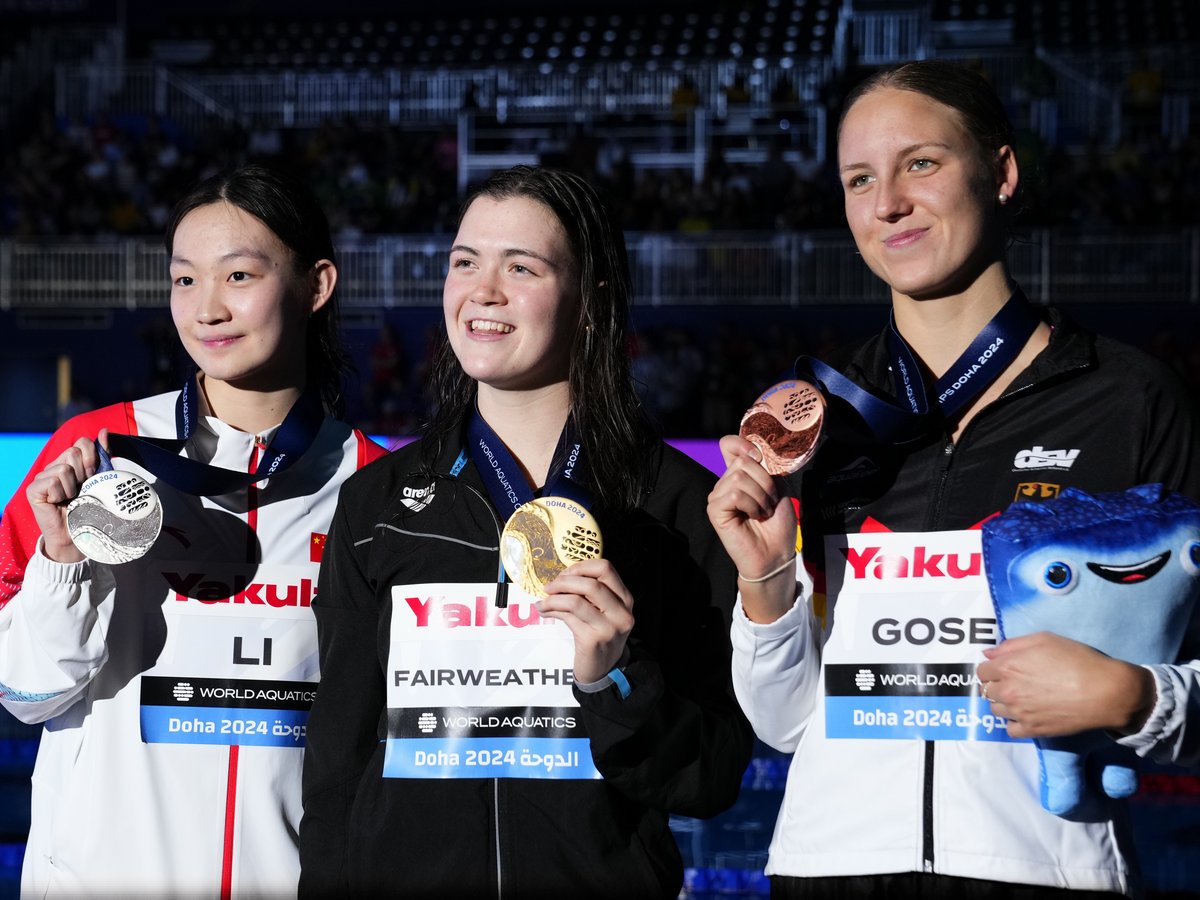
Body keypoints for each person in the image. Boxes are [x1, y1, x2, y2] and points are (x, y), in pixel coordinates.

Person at [706, 59, 1200, 898]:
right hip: (828, 870)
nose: (888, 201)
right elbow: (789, 724)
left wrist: (1134, 696)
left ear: (1001, 174)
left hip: (1042, 870)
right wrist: (764, 582)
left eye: (921, 163)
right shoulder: (823, 419)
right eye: (860, 178)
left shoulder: (1125, 399)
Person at [298, 164, 753, 898]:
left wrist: (613, 678)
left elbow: (711, 774)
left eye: (522, 267)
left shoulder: (673, 506)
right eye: (465, 262)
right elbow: (336, 764)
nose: (483, 290)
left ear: (589, 300)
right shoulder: (377, 506)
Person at [0, 163, 388, 898]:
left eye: (238, 276)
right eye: (185, 280)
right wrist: (61, 561)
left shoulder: (373, 485)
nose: (206, 307)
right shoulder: (97, 451)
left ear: (317, 286)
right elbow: (23, 692)